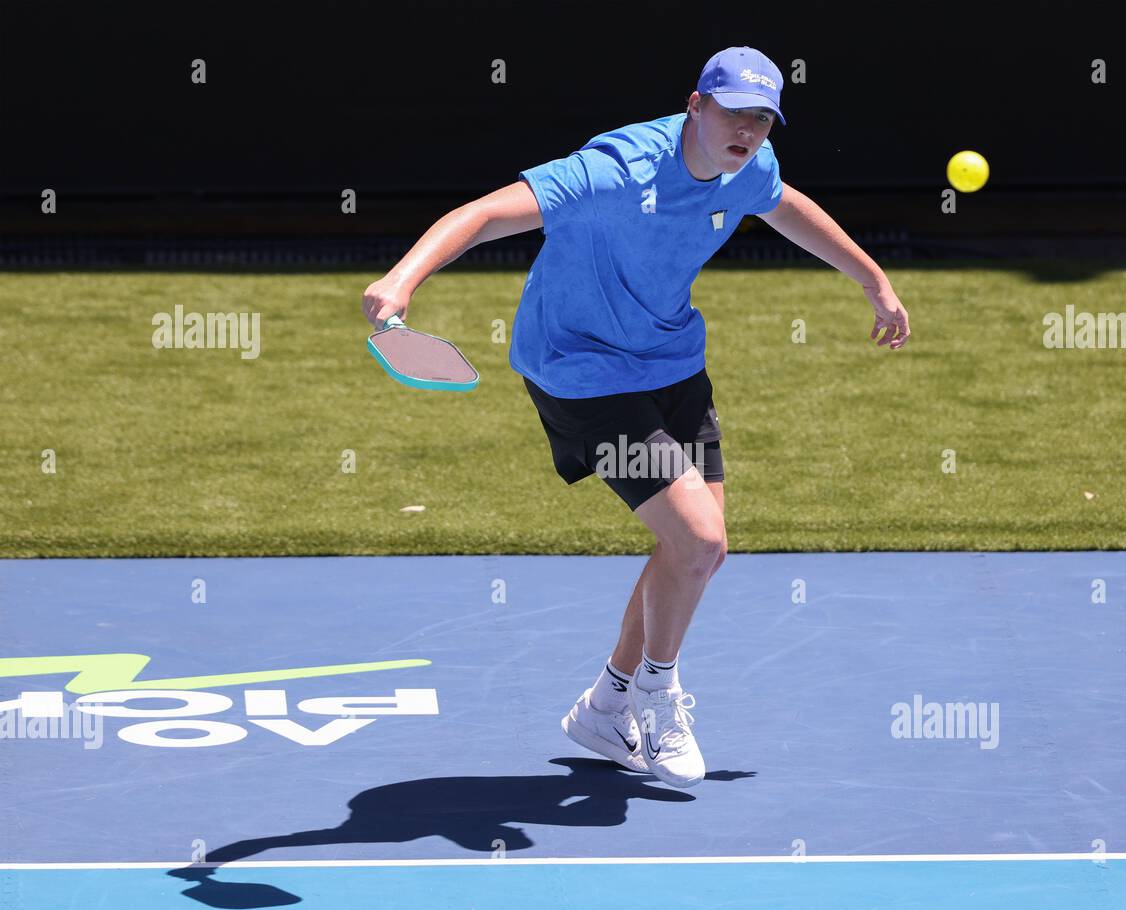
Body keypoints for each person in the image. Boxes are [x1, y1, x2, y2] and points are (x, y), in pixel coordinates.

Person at [363, 45, 911, 789]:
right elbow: (488, 213)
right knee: (698, 536)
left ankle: (605, 704)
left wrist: (874, 283)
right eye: (732, 111)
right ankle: (656, 692)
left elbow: (788, 208)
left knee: (696, 552)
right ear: (695, 105)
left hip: (672, 363)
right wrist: (403, 278)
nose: (746, 129)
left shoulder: (747, 165)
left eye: (762, 118)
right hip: (582, 373)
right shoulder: (616, 170)